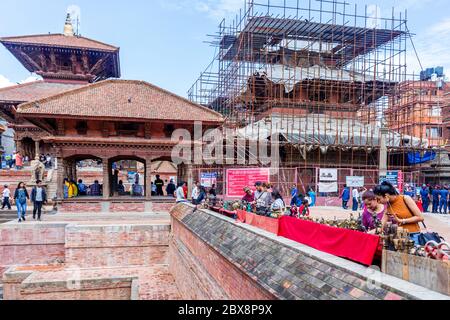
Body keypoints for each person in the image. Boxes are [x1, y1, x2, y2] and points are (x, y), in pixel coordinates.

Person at [374, 181, 424, 245]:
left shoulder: (405, 198)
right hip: (399, 238)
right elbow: (381, 224)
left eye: (379, 199)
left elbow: (420, 217)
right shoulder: (388, 206)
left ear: (386, 196)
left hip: (413, 236)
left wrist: (401, 220)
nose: (378, 202)